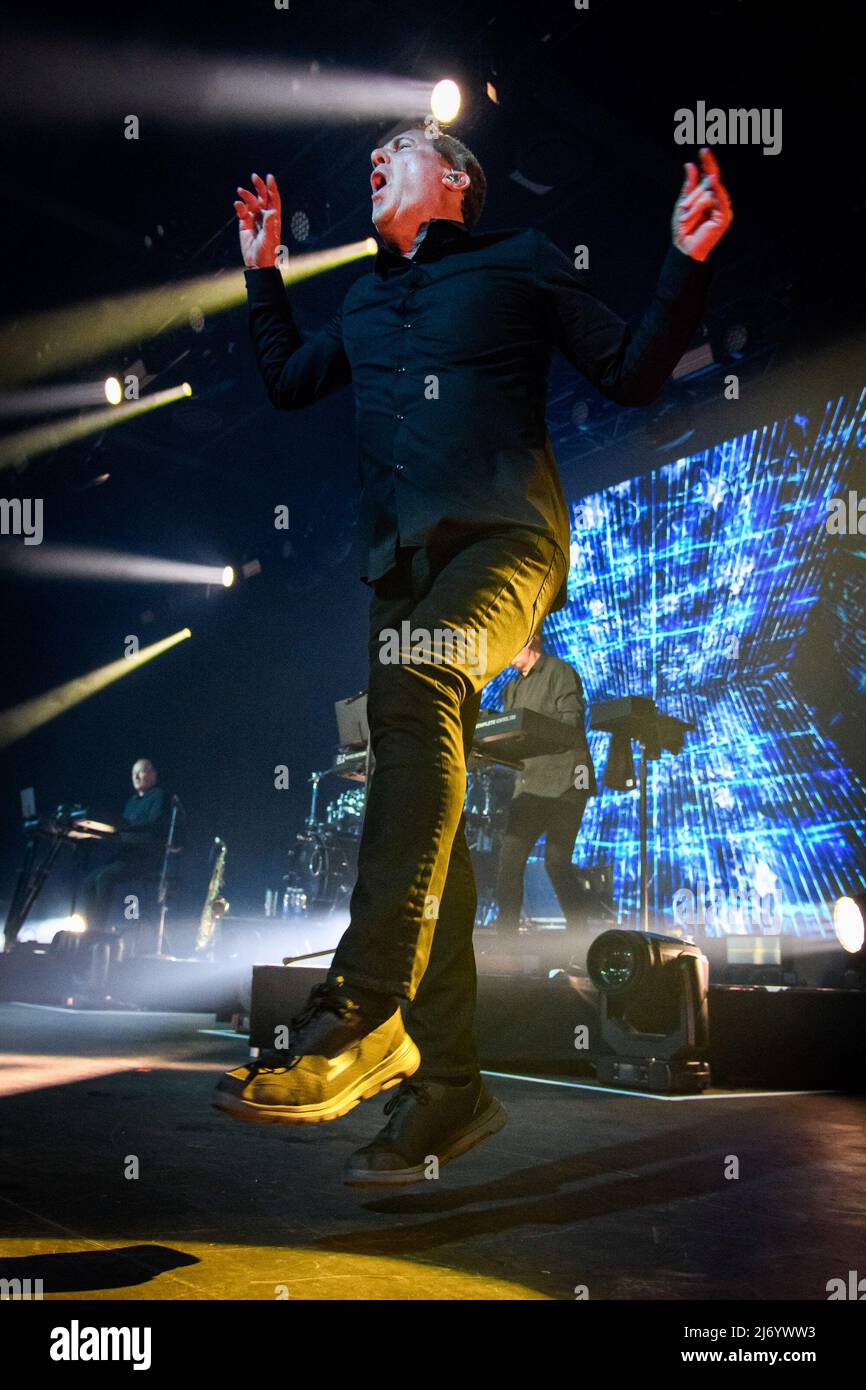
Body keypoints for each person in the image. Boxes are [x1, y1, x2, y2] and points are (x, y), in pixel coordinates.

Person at [216, 121, 732, 1186]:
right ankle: (448, 1086)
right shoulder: (361, 302)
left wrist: (683, 261)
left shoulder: (519, 259)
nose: (369, 163)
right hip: (401, 572)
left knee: (415, 692)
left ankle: (360, 1008)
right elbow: (284, 379)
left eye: (393, 150)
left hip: (507, 543)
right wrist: (263, 274)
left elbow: (633, 371)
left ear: (453, 180)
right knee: (429, 814)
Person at [492, 630, 597, 934]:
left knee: (556, 862)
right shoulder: (510, 689)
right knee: (509, 862)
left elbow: (572, 722)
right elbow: (513, 737)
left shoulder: (559, 671)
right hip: (531, 785)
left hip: (567, 780)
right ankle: (505, 942)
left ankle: (579, 937)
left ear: (531, 639)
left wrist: (531, 734)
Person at [80, 759, 170, 933]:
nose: (136, 776)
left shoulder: (159, 796)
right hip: (125, 857)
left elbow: (154, 824)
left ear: (153, 774)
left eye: (141, 772)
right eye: (133, 773)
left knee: (104, 878)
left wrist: (123, 828)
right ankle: (88, 928)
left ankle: (96, 930)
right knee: (88, 881)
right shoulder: (131, 802)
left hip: (144, 858)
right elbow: (121, 828)